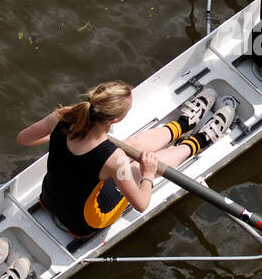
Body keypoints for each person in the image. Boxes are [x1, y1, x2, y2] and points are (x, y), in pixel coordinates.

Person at [17, 80, 235, 236]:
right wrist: (148, 174)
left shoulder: (62, 116)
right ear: (115, 119)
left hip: (49, 195)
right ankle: (196, 143)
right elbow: (141, 203)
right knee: (136, 169)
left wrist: (58, 140)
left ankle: (181, 126)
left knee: (130, 147)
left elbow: (23, 139)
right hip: (84, 220)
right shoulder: (115, 159)